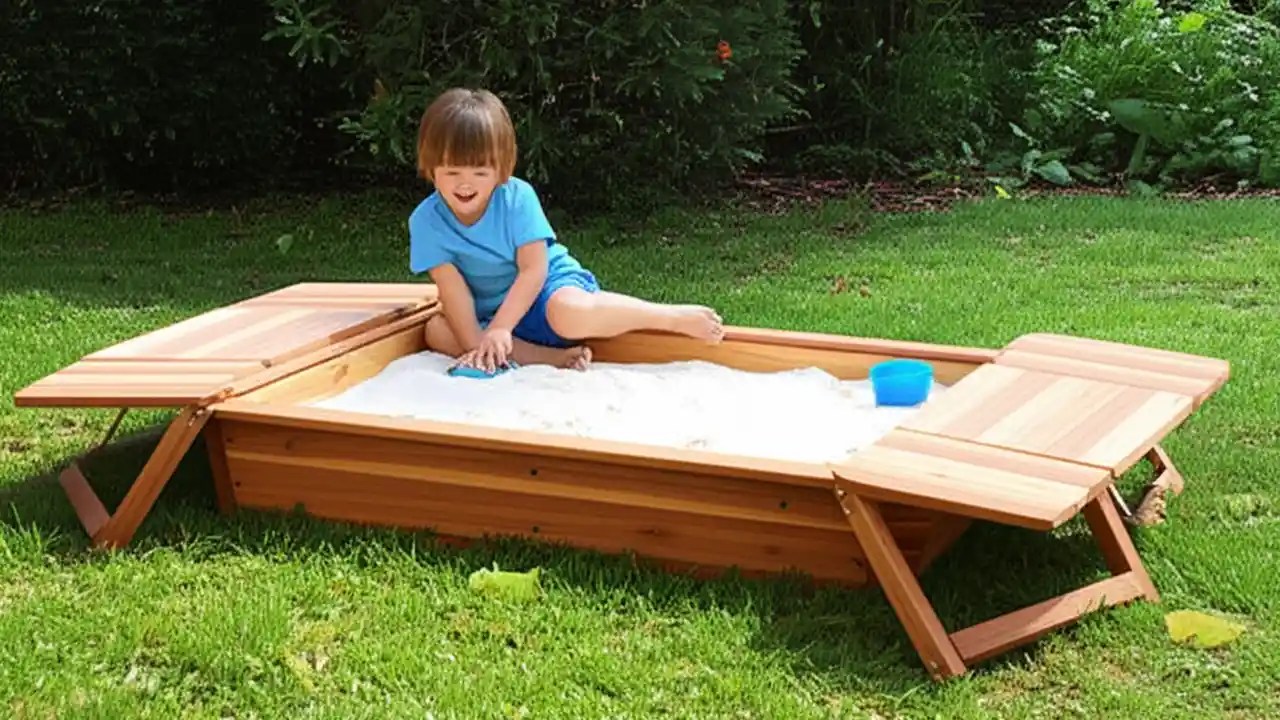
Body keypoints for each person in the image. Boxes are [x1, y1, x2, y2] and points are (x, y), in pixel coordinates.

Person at [407, 87, 725, 373]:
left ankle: (669, 317)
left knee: (567, 311)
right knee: (437, 331)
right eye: (452, 171)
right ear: (430, 168)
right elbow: (454, 291)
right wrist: (477, 341)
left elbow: (533, 270)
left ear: (501, 168)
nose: (465, 183)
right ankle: (553, 359)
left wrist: (502, 328)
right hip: (490, 313)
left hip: (547, 289)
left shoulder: (517, 198)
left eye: (480, 171)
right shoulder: (426, 221)